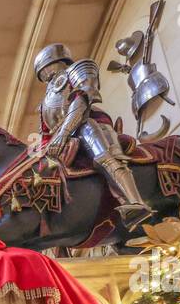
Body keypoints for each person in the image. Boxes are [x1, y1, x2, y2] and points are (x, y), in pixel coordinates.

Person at [33, 42, 153, 229]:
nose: (45, 75)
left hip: (86, 123)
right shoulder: (44, 103)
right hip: (62, 142)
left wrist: (63, 133)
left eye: (44, 69)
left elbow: (81, 100)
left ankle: (136, 202)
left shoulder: (77, 69)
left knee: (104, 156)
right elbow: (45, 133)